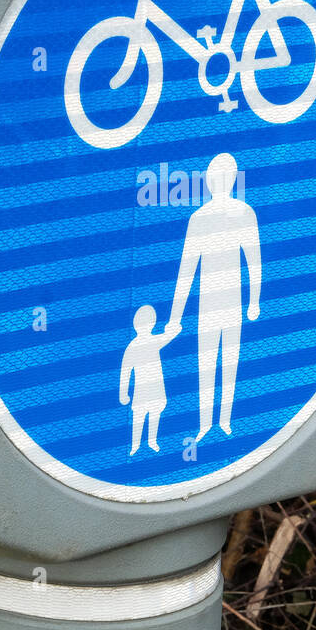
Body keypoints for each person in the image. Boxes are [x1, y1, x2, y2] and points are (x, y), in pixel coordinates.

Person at [167, 152, 261, 441]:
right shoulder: (200, 218)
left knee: (225, 361)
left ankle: (222, 422)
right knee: (209, 362)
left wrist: (255, 300)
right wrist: (175, 316)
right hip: (210, 303)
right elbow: (187, 269)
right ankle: (208, 423)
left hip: (229, 301)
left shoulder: (243, 213)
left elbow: (253, 261)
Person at [119, 305, 179, 455]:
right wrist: (123, 394)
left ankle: (152, 441)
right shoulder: (133, 347)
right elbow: (125, 372)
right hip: (142, 392)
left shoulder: (151, 341)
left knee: (154, 415)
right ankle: (135, 446)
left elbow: (168, 336)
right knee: (139, 417)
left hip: (155, 390)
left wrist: (174, 329)